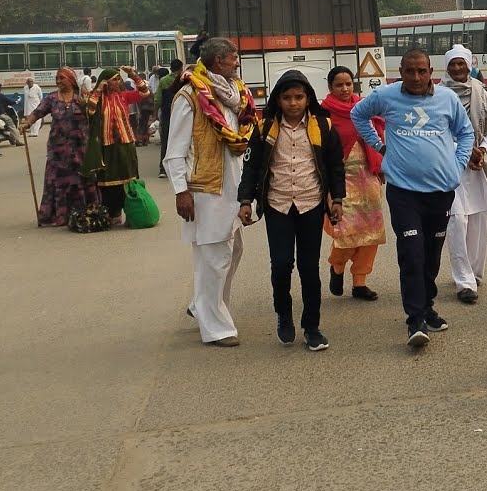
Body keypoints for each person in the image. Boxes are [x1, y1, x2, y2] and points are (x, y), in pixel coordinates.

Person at [350, 48, 474, 348]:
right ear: (400, 72)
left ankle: (428, 306)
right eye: (410, 71)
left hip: (441, 191)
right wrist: (380, 147)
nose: (416, 77)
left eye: (422, 71)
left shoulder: (447, 98)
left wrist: (457, 165)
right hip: (404, 192)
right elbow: (358, 114)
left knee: (431, 254)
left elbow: (466, 133)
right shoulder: (387, 96)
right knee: (412, 253)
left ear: (431, 71)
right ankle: (415, 319)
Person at [237, 70, 345, 352]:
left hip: (311, 204)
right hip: (278, 205)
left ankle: (312, 327)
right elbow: (251, 166)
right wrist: (245, 201)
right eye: (287, 98)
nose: (293, 103)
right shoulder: (265, 128)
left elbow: (335, 166)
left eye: (299, 97)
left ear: (308, 99)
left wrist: (337, 199)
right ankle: (284, 315)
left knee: (309, 267)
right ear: (278, 100)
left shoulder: (323, 126)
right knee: (282, 264)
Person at [165, 37, 257, 348]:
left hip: (233, 188)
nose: (237, 63)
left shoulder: (234, 93)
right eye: (234, 58)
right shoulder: (190, 96)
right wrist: (181, 191)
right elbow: (174, 152)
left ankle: (202, 305)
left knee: (232, 251)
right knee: (215, 258)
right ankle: (215, 327)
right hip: (205, 191)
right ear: (219, 61)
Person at [441, 44, 487, 305]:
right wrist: (464, 151)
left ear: (469, 66)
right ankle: (464, 281)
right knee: (457, 222)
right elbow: (439, 131)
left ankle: (475, 273)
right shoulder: (439, 95)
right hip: (451, 167)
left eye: (461, 64)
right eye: (452, 64)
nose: (457, 68)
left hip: (478, 168)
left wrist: (482, 148)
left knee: (478, 221)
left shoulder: (481, 91)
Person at [321, 67, 386, 301]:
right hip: (340, 181)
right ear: (330, 87)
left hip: (368, 176)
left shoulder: (363, 108)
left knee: (371, 232)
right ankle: (337, 266)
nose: (345, 89)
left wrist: (381, 166)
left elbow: (378, 135)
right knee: (345, 231)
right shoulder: (324, 114)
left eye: (348, 84)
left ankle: (360, 282)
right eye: (339, 85)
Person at [17, 68, 101, 227]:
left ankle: (84, 212)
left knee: (80, 179)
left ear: (71, 80)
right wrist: (27, 123)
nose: (58, 81)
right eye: (57, 78)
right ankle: (59, 215)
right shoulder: (52, 98)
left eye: (62, 78)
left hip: (81, 148)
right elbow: (38, 112)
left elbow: (95, 113)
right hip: (58, 150)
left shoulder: (82, 97)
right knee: (58, 181)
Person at [82, 67, 150, 225]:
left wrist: (133, 74)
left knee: (128, 180)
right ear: (105, 82)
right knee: (108, 182)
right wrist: (99, 89)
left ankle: (132, 212)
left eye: (119, 79)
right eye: (114, 80)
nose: (118, 82)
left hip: (126, 143)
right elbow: (90, 110)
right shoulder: (98, 98)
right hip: (107, 145)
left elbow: (145, 92)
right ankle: (113, 213)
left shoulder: (124, 96)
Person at [157, 59, 187, 178]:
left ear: (170, 68)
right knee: (183, 140)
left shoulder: (163, 80)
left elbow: (158, 99)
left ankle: (163, 169)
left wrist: (155, 113)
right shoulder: (185, 79)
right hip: (182, 114)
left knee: (166, 141)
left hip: (167, 114)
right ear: (181, 68)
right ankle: (181, 168)